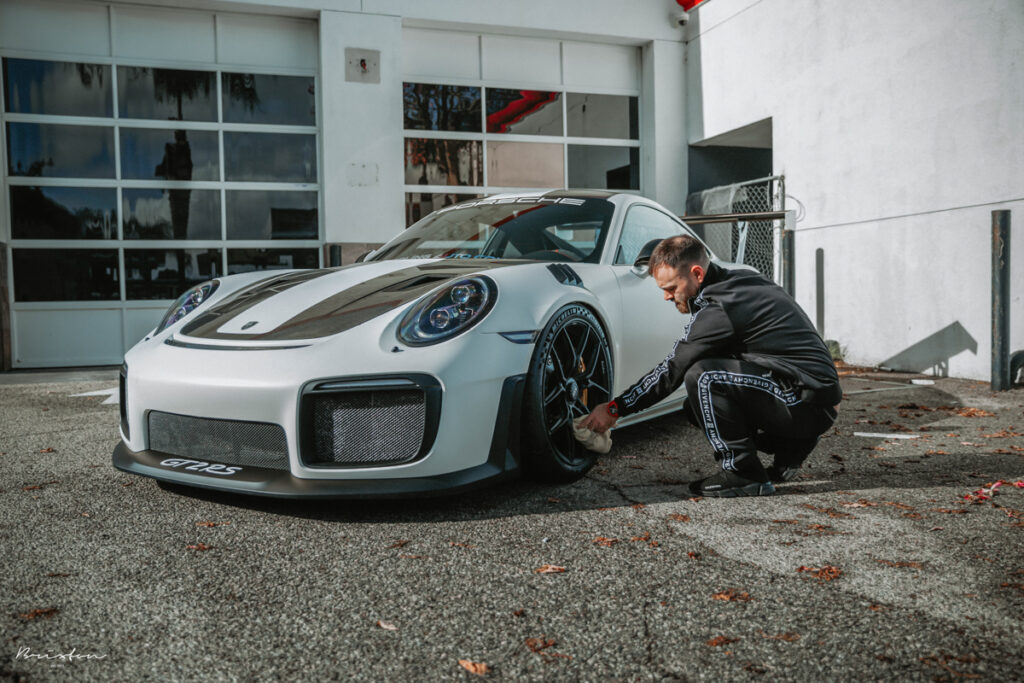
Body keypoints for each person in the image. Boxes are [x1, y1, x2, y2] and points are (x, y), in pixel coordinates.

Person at [580, 234, 841, 497]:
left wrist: (615, 408)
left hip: (803, 403)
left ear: (697, 273)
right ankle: (789, 450)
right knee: (696, 407)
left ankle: (743, 473)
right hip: (812, 401)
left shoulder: (720, 307)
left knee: (704, 377)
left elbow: (672, 370)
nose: (667, 297)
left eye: (671, 288)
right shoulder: (741, 282)